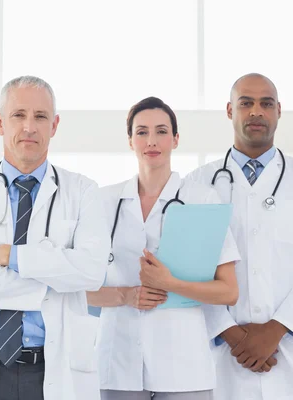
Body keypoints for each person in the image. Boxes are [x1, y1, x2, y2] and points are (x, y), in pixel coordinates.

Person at [0, 76, 109, 400]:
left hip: (57, 368)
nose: (29, 127)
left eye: (40, 116)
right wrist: (54, 278)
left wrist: (11, 257)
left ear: (55, 124)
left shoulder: (83, 191)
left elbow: (92, 272)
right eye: (18, 115)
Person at [87, 97, 240, 400]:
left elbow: (228, 291)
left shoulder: (202, 199)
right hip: (118, 361)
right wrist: (124, 295)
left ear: (176, 139)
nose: (152, 140)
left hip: (183, 363)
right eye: (142, 132)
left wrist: (170, 284)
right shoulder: (103, 203)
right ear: (130, 141)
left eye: (161, 131)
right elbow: (74, 287)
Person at [186, 73, 293, 400]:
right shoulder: (197, 185)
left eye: (266, 103)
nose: (256, 112)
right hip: (222, 355)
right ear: (229, 111)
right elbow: (189, 272)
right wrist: (230, 333)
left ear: (279, 110)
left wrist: (276, 330)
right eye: (245, 103)